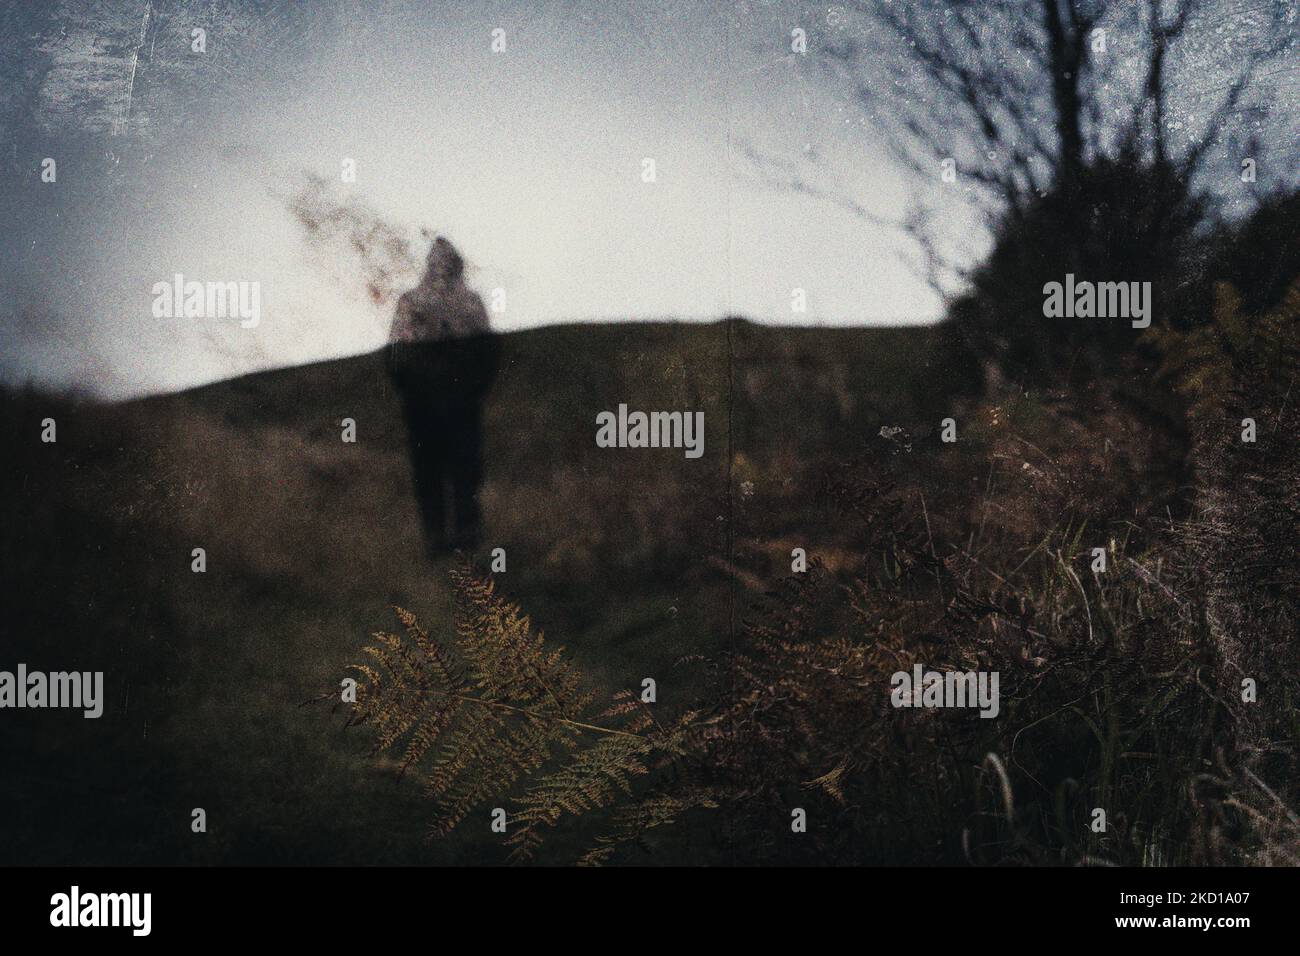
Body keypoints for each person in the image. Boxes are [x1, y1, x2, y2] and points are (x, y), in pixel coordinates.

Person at [386, 236, 499, 556]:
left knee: (428, 471)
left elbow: (394, 356)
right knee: (465, 469)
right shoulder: (470, 302)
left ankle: (435, 538)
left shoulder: (411, 302)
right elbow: (489, 353)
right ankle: (467, 535)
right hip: (461, 401)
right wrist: (476, 389)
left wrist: (408, 391)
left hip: (421, 403)